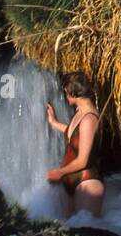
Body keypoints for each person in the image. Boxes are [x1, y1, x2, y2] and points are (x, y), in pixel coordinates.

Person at [45, 71, 105, 217]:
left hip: (86, 181)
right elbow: (75, 134)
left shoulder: (89, 119)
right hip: (70, 180)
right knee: (69, 230)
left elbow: (83, 161)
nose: (65, 95)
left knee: (85, 235)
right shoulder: (80, 113)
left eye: (66, 91)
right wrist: (54, 123)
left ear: (72, 92)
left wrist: (59, 172)